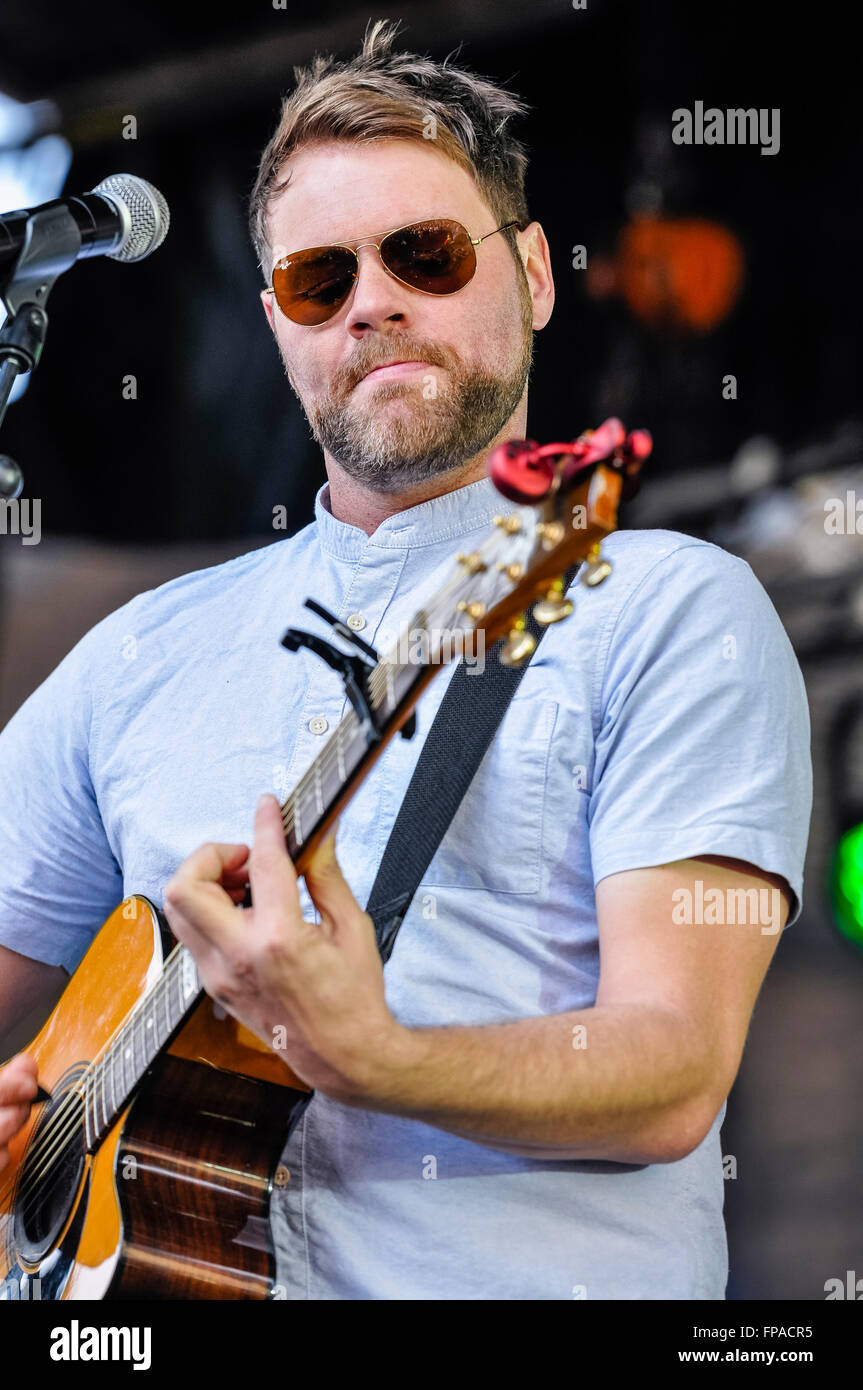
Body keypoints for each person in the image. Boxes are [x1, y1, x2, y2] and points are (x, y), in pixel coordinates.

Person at [0, 20, 811, 1300]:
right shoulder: (137, 651)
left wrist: (372, 1054)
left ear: (535, 276)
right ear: (278, 326)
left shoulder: (664, 604)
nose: (372, 301)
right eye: (322, 280)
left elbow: (673, 1065)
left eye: (423, 255)